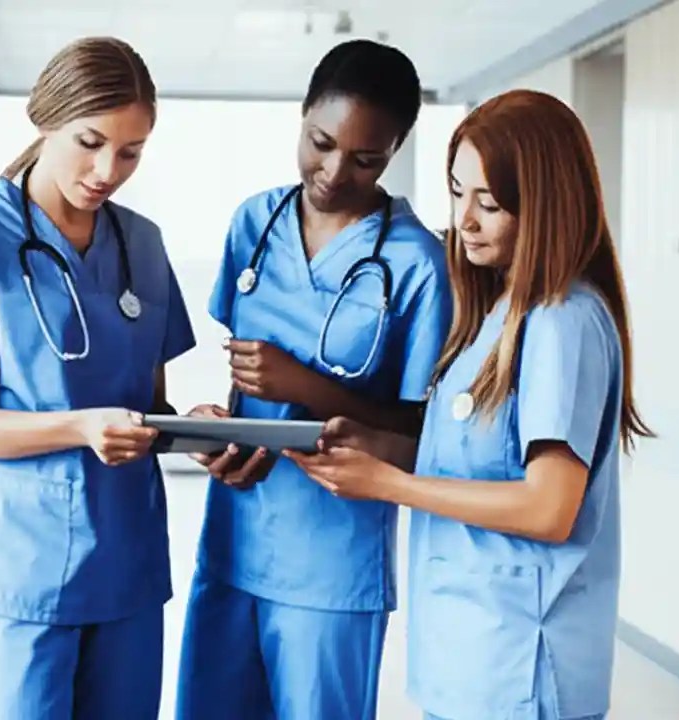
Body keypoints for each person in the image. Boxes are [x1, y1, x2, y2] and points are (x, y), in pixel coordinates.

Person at [287, 89, 655, 720]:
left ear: (544, 204)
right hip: (471, 654)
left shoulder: (560, 322)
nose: (466, 221)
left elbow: (548, 506)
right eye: (459, 193)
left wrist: (389, 485)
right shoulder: (498, 316)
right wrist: (386, 449)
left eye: (489, 203)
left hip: (518, 663)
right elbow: (485, 459)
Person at [0, 37, 195, 719]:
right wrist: (79, 427)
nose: (107, 170)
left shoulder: (141, 245)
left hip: (127, 571)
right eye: (90, 142)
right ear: (45, 119)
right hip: (18, 579)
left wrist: (195, 426)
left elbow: (148, 408)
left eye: (130, 152)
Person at [176, 39, 453, 720]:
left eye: (366, 159)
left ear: (396, 151)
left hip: (333, 560)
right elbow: (245, 390)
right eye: (320, 142)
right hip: (235, 539)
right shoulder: (256, 221)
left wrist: (303, 382)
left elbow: (422, 433)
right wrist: (216, 428)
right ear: (301, 117)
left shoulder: (418, 262)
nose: (333, 172)